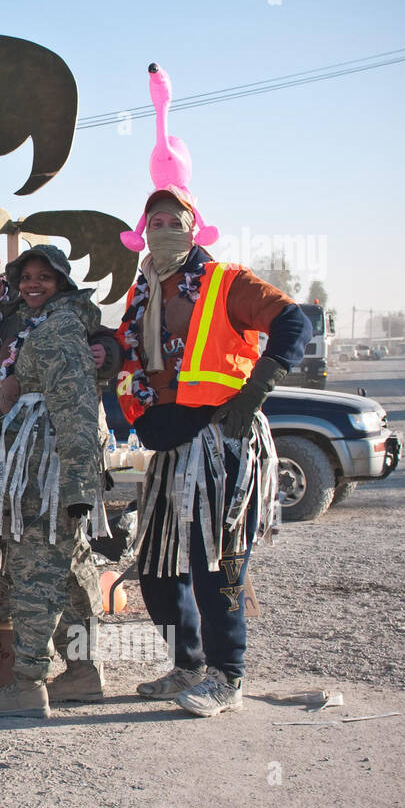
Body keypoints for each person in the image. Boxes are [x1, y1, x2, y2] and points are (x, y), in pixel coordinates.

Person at [114, 188, 310, 717]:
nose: (163, 231)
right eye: (154, 223)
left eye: (173, 221)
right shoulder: (143, 291)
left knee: (215, 561)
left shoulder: (227, 280)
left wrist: (256, 390)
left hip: (219, 441)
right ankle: (188, 665)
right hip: (169, 442)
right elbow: (127, 350)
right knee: (157, 566)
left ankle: (228, 676)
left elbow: (294, 322)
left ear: (193, 228)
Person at [0, 229, 118, 703]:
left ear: (61, 282)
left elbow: (77, 409)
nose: (33, 284)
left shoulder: (59, 330)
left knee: (34, 575)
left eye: (44, 277)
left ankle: (27, 685)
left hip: (50, 476)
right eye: (26, 277)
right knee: (72, 572)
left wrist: (78, 484)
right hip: (36, 469)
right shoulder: (35, 321)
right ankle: (84, 671)